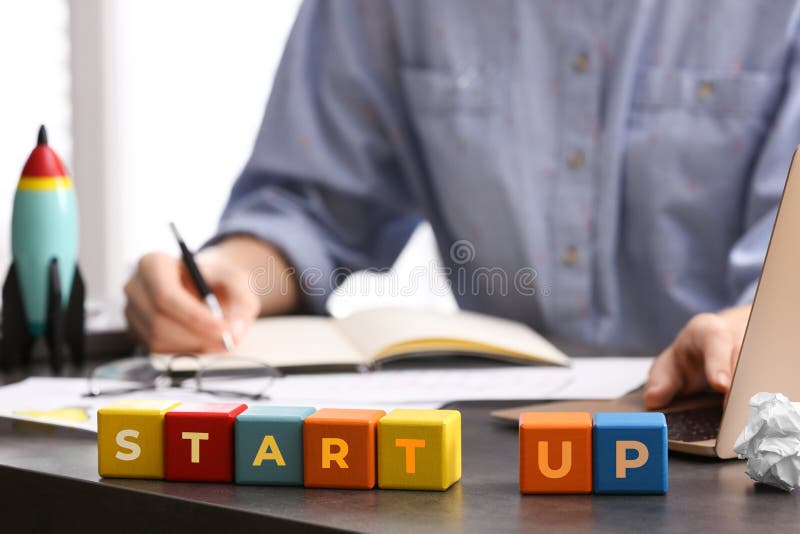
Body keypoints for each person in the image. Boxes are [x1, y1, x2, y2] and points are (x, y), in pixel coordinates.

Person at [124, 1, 799, 409]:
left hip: (732, 439)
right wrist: (235, 278)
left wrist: (754, 337)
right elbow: (310, 207)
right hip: (492, 449)